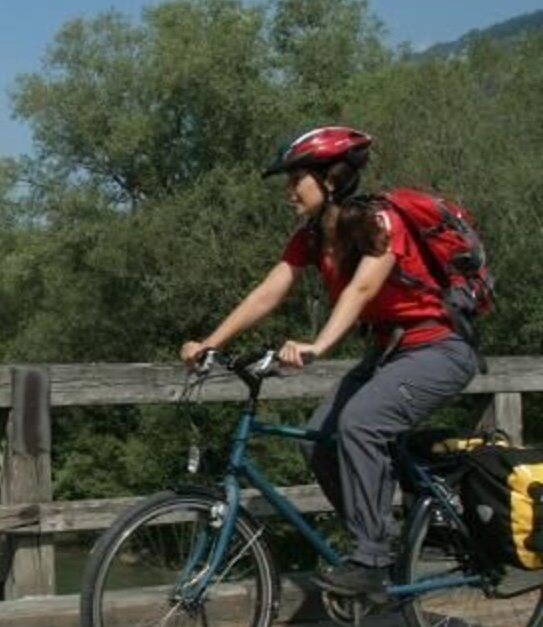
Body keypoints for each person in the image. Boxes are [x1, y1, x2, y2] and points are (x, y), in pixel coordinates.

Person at [179, 126, 479, 595]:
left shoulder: (380, 222)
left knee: (359, 423)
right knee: (319, 441)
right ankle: (385, 538)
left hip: (438, 348)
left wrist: (319, 345)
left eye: (296, 179)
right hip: (389, 351)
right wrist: (209, 342)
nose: (288, 191)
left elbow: (362, 288)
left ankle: (372, 559)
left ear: (331, 179)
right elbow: (271, 288)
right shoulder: (313, 236)